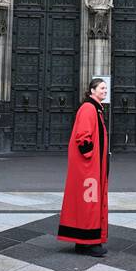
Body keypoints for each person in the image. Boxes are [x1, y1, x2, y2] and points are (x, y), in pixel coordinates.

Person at [57, 78, 109, 256]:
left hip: (93, 166)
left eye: (105, 88)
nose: (105, 91)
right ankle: (89, 242)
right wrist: (91, 158)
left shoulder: (96, 108)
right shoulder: (89, 108)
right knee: (89, 203)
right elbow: (83, 137)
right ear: (92, 90)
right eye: (102, 88)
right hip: (89, 168)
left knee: (86, 202)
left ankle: (82, 240)